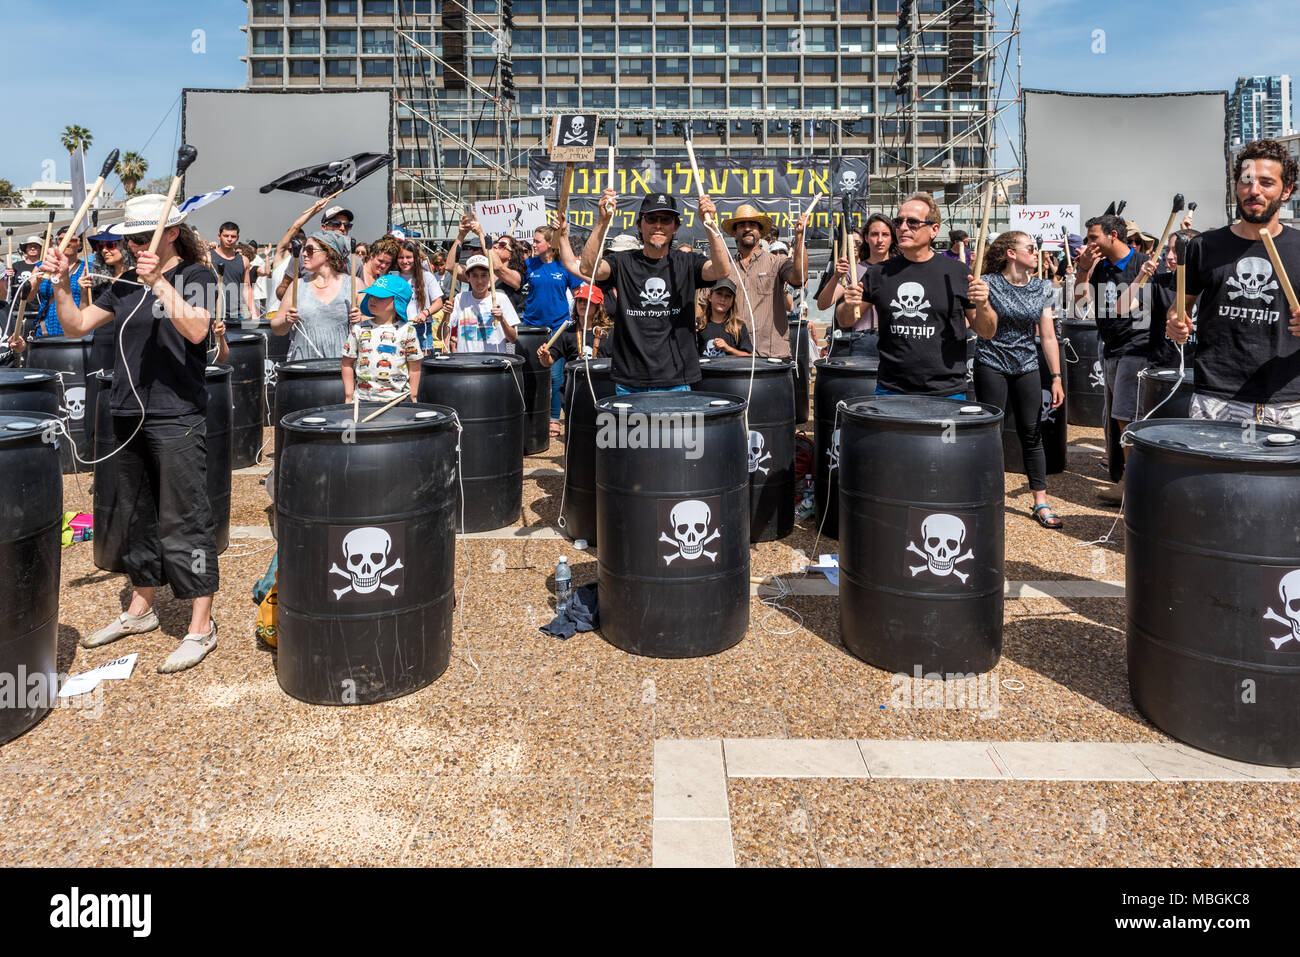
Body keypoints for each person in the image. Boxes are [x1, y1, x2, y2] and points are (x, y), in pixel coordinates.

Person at [42, 194, 221, 672]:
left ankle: (201, 626)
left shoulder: (196, 277)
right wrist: (61, 284)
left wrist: (159, 282)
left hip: (177, 412)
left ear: (169, 234)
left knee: (186, 517)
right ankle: (140, 608)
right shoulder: (121, 283)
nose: (132, 246)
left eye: (142, 238)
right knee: (136, 514)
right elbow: (77, 326)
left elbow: (198, 330)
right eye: (129, 239)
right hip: (126, 411)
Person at [1168, 137, 1300, 428]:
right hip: (1216, 398)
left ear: (1287, 190)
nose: (1254, 191)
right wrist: (1176, 321)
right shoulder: (1204, 246)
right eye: (1246, 181)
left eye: (1266, 182)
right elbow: (1180, 308)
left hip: (1289, 402)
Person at [556, 190, 731, 394]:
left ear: (676, 227)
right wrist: (602, 222)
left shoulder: (687, 263)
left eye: (666, 219)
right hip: (630, 380)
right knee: (628, 428)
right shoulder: (623, 262)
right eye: (651, 218)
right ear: (640, 225)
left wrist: (710, 225)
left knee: (674, 428)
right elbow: (588, 268)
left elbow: (721, 270)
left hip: (676, 378)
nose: (658, 225)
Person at [839, 192, 995, 398]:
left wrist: (983, 305)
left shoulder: (958, 273)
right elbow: (845, 320)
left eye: (912, 222)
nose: (903, 227)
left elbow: (987, 331)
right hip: (892, 390)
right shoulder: (878, 273)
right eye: (899, 221)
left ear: (934, 230)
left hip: (946, 391)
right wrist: (849, 304)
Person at [973, 231, 1065, 528]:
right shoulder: (987, 283)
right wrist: (981, 302)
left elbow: (1048, 336)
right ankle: (987, 494)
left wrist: (1056, 377)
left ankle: (1040, 501)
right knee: (991, 433)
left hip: (1026, 364)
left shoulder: (1042, 288)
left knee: (1032, 432)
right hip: (991, 362)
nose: (1036, 252)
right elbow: (979, 326)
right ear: (1011, 253)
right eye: (1030, 248)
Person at [1072, 211, 1149, 504]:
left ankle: (1132, 483)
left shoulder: (1143, 265)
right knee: (1118, 417)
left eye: (1093, 237)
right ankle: (1127, 477)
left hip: (1137, 349)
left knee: (1125, 417)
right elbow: (1077, 304)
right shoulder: (1100, 268)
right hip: (1111, 349)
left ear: (1112, 235)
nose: (1089, 243)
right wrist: (1084, 269)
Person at [723, 203, 807, 358]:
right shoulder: (725, 270)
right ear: (734, 232)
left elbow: (799, 278)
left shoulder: (776, 262)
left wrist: (800, 238)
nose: (747, 228)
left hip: (772, 355)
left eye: (752, 225)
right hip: (735, 356)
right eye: (742, 225)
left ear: (760, 231)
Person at [271, 230, 361, 360]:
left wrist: (361, 318)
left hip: (341, 367)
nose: (304, 254)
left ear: (328, 254)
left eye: (309, 249)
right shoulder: (297, 285)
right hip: (304, 367)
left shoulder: (354, 285)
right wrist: (286, 320)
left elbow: (373, 325)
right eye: (303, 249)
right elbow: (277, 329)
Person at [819, 212, 897, 356]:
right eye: (874, 234)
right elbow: (823, 304)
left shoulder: (901, 269)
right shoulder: (854, 271)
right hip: (863, 341)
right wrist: (836, 276)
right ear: (866, 238)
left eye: (885, 234)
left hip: (895, 337)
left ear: (892, 238)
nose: (880, 240)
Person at [343, 274, 422, 403]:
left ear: (397, 301)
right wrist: (348, 395)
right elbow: (347, 362)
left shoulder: (407, 331)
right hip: (363, 399)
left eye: (380, 297)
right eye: (371, 295)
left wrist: (413, 396)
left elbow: (415, 366)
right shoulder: (358, 329)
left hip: (399, 400)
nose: (373, 300)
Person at [447, 254, 520, 354]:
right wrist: (445, 316)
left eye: (484, 275)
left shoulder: (501, 298)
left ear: (490, 276)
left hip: (494, 363)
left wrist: (502, 319)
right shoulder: (460, 298)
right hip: (466, 364)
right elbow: (441, 335)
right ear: (468, 277)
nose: (480, 281)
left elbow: (513, 339)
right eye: (475, 276)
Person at [537, 284, 616, 368]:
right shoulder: (567, 333)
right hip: (574, 380)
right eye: (579, 300)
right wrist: (544, 357)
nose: (582, 303)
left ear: (598, 306)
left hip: (602, 380)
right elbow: (548, 362)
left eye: (587, 301)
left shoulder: (610, 333)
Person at [33, 227, 91, 338]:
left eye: (72, 240)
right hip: (47, 330)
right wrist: (36, 281)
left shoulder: (88, 269)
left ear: (80, 245)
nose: (67, 243)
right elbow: (26, 296)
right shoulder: (43, 266)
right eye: (61, 239)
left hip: (77, 331)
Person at [392, 239, 444, 351]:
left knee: (422, 366)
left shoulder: (427, 276)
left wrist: (425, 313)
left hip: (421, 328)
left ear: (415, 258)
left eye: (408, 257)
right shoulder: (393, 277)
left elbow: (439, 302)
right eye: (401, 257)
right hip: (398, 327)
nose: (405, 261)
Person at [210, 221, 257, 321]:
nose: (229, 239)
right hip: (213, 314)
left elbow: (247, 288)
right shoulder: (208, 257)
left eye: (233, 236)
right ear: (219, 236)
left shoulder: (244, 260)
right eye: (226, 236)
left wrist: (254, 313)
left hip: (235, 315)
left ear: (237, 238)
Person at [697, 278, 753, 357]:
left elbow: (749, 356)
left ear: (733, 301)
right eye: (719, 293)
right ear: (709, 297)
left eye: (728, 296)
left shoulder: (739, 326)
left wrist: (728, 348)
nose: (723, 299)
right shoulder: (699, 325)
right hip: (704, 369)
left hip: (730, 368)